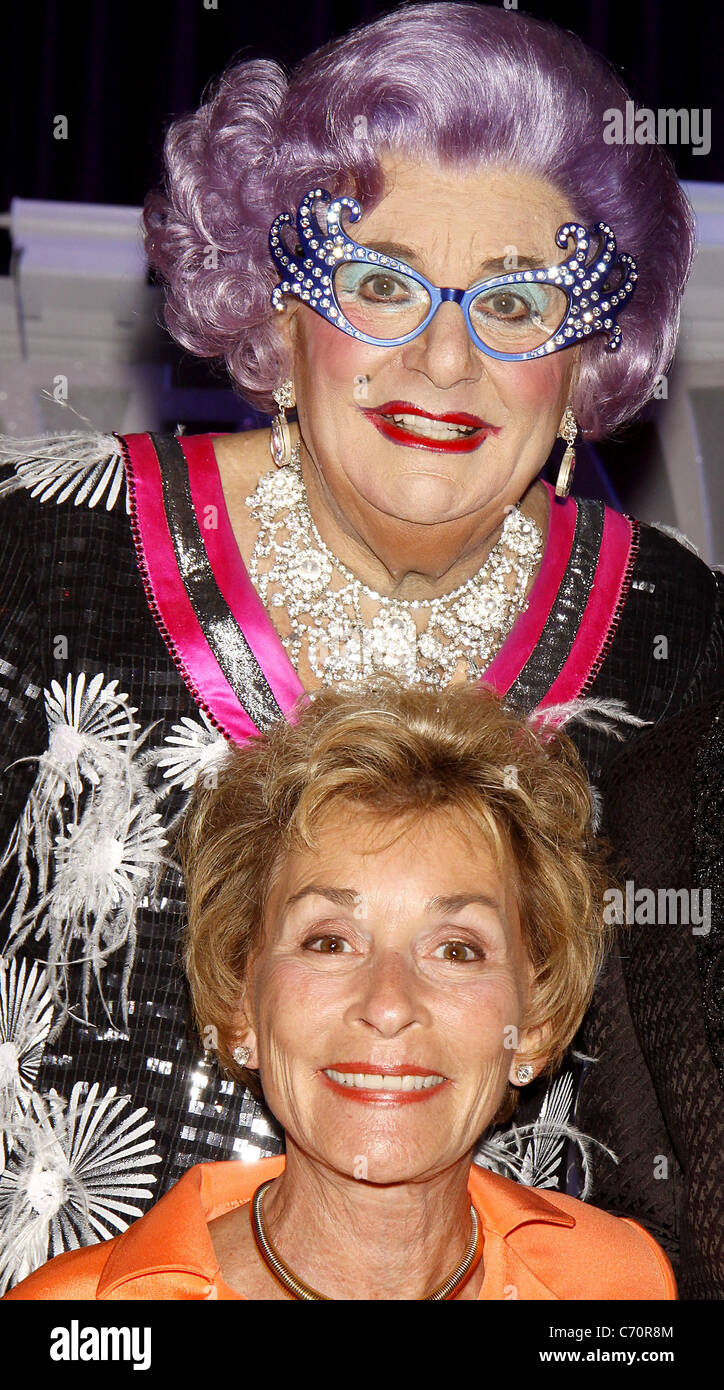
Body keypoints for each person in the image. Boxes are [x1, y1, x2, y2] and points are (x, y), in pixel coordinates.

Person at [0, 3, 720, 1289]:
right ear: (278, 316)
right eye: (379, 285)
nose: (445, 359)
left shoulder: (673, 641)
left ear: (585, 361)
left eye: (519, 303)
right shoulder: (34, 552)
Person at [3, 683, 676, 1300]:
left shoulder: (617, 1285)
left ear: (535, 1019)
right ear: (242, 1004)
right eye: (330, 942)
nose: (387, 1005)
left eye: (456, 950)